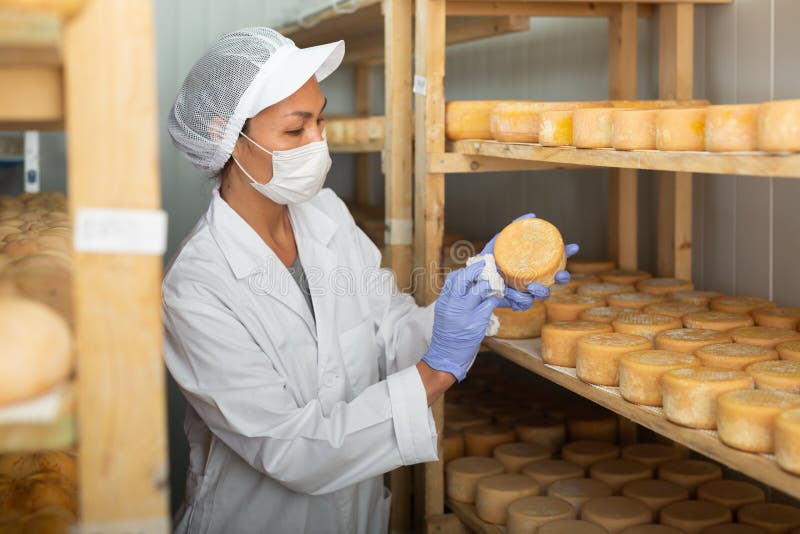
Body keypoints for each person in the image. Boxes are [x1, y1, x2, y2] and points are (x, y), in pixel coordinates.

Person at [163, 27, 578, 534]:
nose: (318, 142)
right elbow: (293, 450)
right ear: (221, 134)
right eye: (295, 131)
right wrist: (436, 372)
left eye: (321, 120)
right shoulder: (197, 285)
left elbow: (385, 329)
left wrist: (472, 296)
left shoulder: (325, 214)